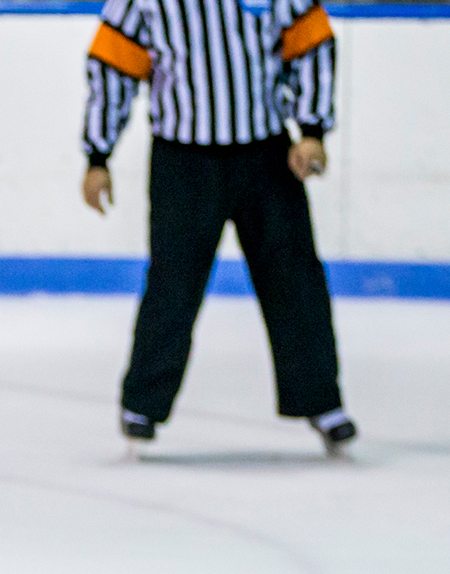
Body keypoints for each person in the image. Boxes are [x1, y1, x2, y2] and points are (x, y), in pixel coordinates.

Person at [80, 0, 358, 454]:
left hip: (266, 154)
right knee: (173, 282)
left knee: (295, 278)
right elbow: (112, 64)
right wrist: (98, 156)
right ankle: (143, 404)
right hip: (183, 159)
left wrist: (311, 130)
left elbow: (312, 43)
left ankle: (321, 400)